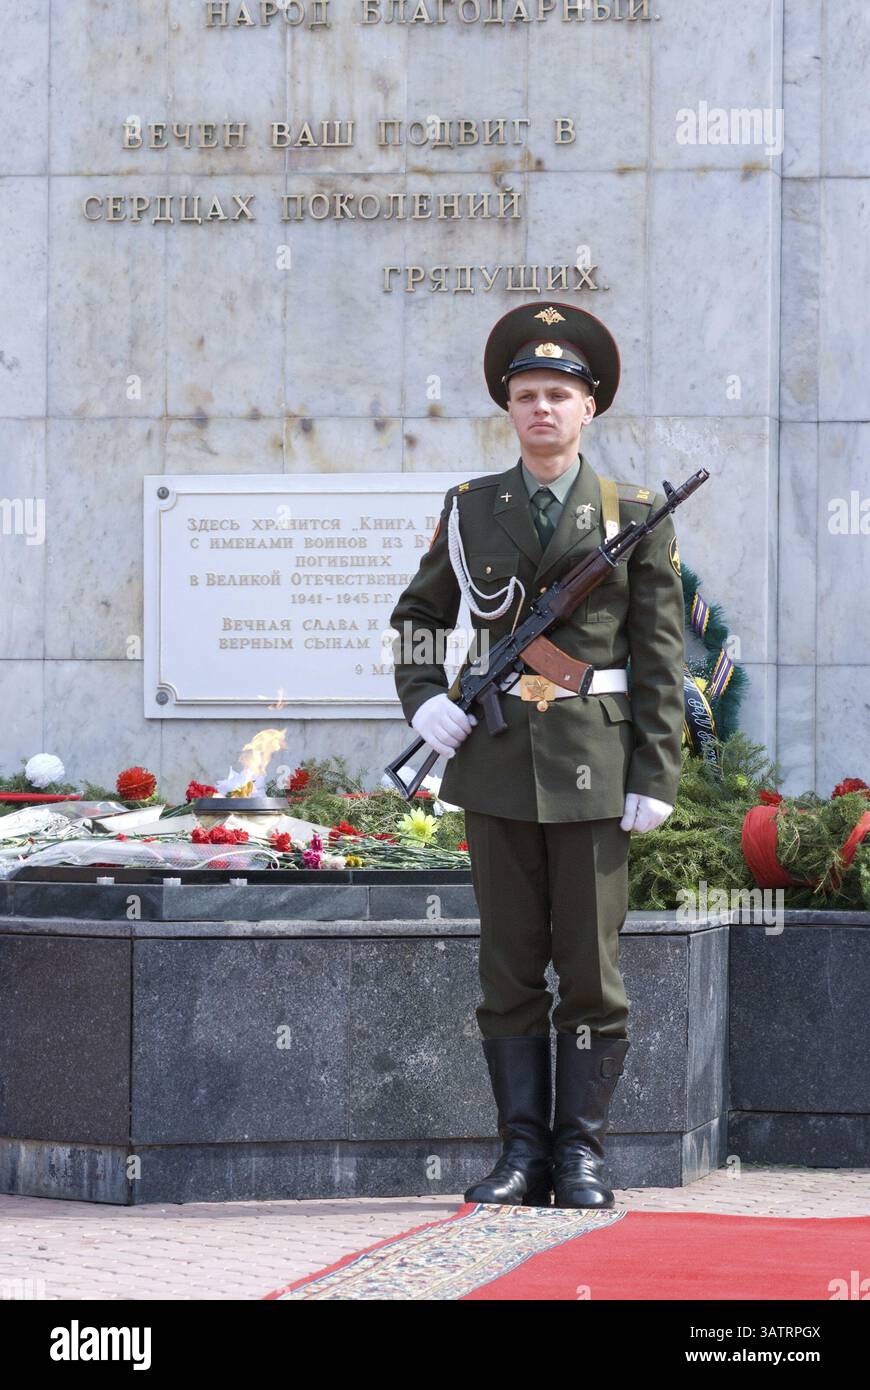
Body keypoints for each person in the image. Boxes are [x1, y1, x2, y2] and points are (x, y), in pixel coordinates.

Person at [388, 302, 685, 1209]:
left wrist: (657, 771)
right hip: (497, 767)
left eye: (560, 393)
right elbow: (419, 618)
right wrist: (427, 697)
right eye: (528, 395)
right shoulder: (472, 508)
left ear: (588, 408)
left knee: (591, 971)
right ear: (508, 408)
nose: (543, 409)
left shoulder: (634, 513)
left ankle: (583, 1154)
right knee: (509, 966)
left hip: (595, 767)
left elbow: (662, 650)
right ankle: (521, 1153)